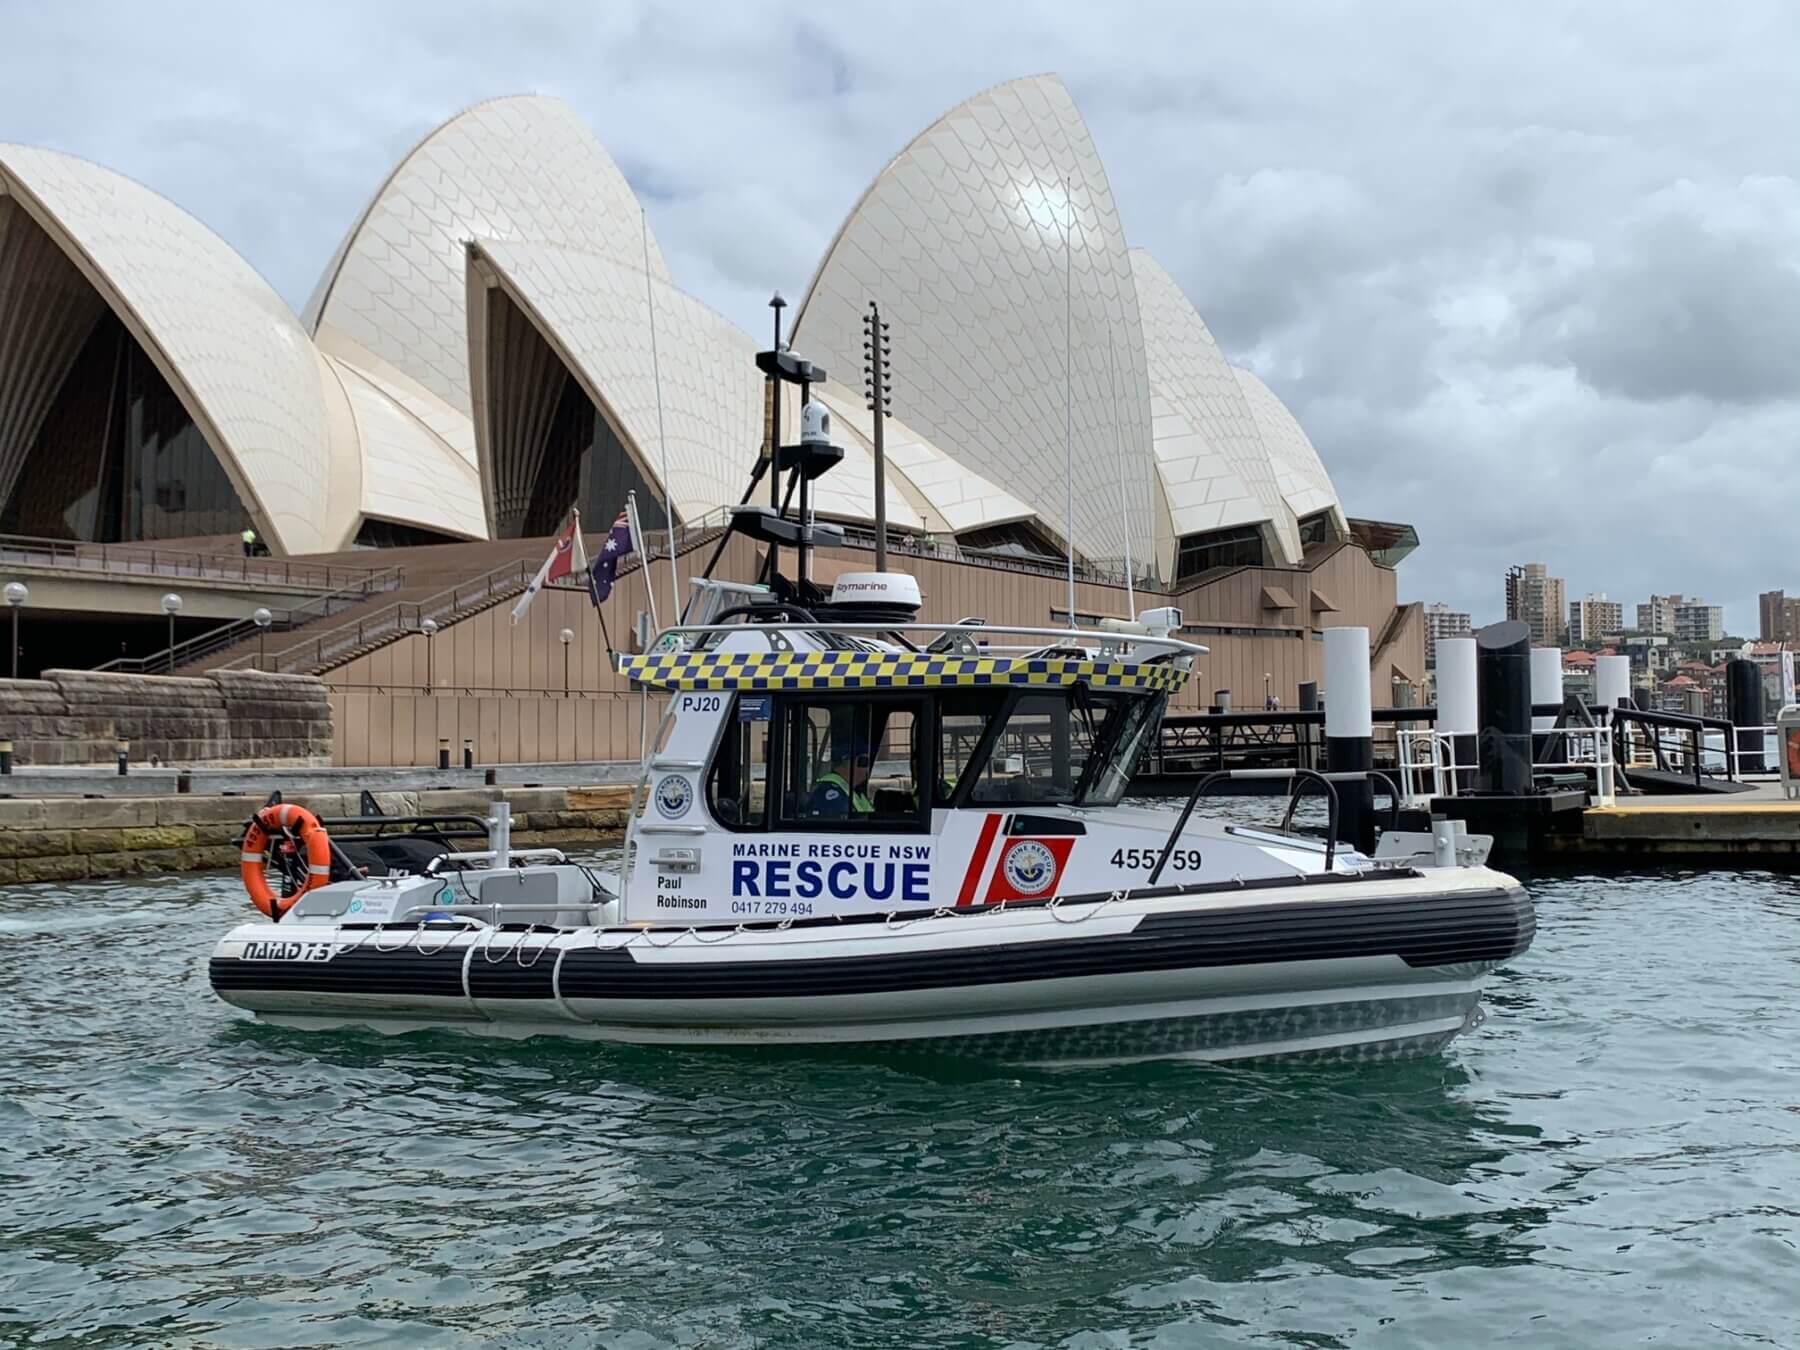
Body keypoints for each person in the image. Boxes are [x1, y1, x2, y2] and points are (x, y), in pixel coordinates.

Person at [809, 749, 873, 817]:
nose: (867, 769)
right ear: (847, 763)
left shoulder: (856, 791)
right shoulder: (830, 793)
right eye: (864, 762)